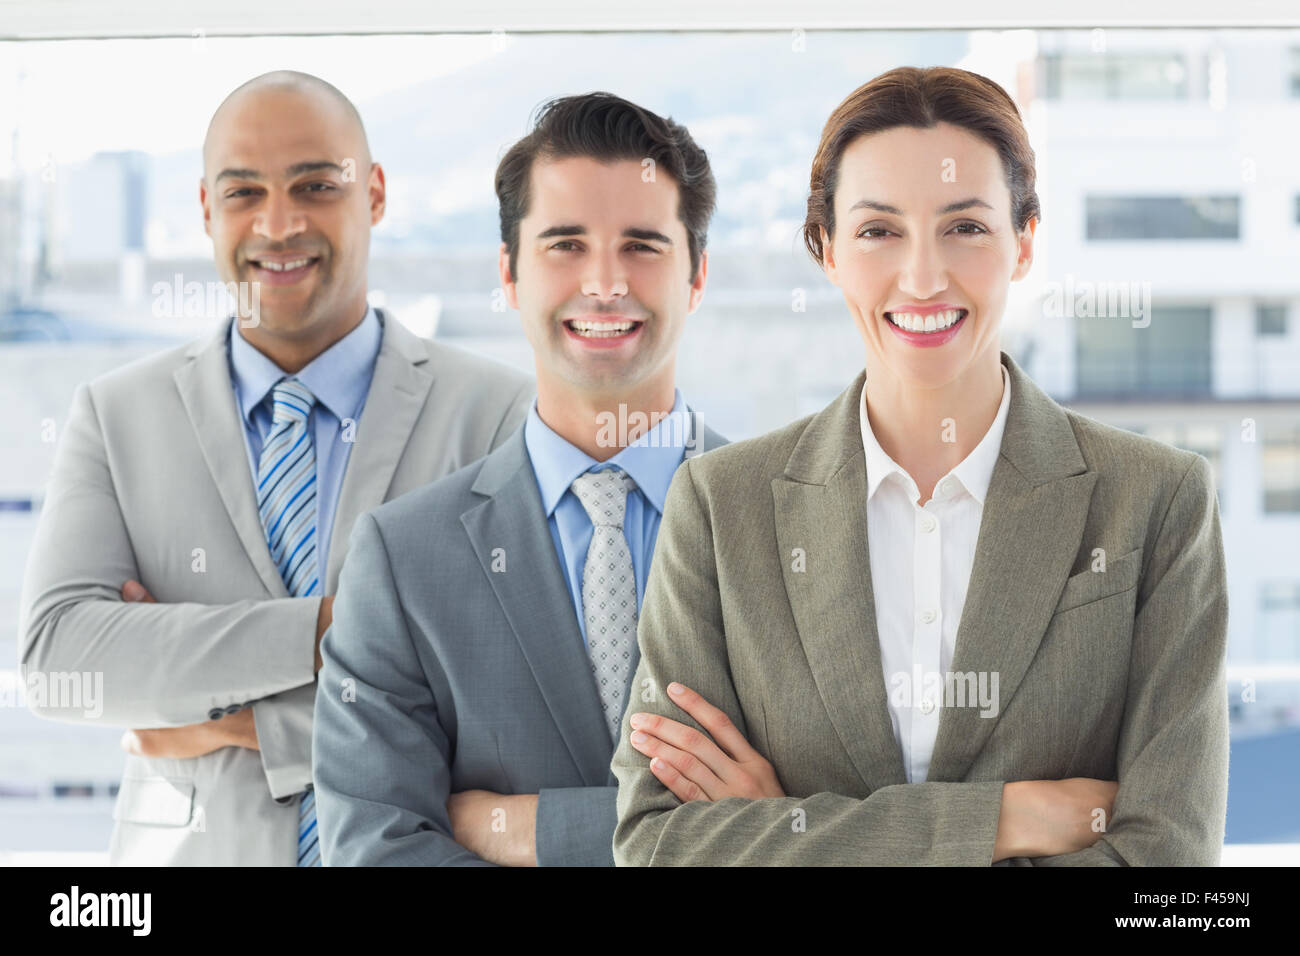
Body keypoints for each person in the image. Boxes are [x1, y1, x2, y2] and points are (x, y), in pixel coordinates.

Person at [611, 66, 1229, 866]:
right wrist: (1002, 822)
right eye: (878, 231)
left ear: (1025, 242)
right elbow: (659, 843)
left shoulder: (1158, 501)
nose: (925, 276)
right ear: (826, 249)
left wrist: (796, 833)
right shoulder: (721, 507)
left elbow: (1167, 868)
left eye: (965, 227)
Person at [18, 70, 533, 866]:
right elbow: (60, 662)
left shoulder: (495, 414)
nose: (279, 224)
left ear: (376, 194)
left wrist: (237, 720)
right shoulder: (117, 415)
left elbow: (504, 698)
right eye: (243, 192)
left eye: (315, 186)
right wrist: (332, 628)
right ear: (204, 210)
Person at [313, 92, 741, 866]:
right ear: (509, 273)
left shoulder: (801, 524)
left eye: (642, 244)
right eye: (566, 245)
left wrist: (526, 829)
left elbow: (837, 824)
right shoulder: (404, 560)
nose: (605, 283)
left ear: (697, 275)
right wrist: (722, 833)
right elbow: (377, 852)